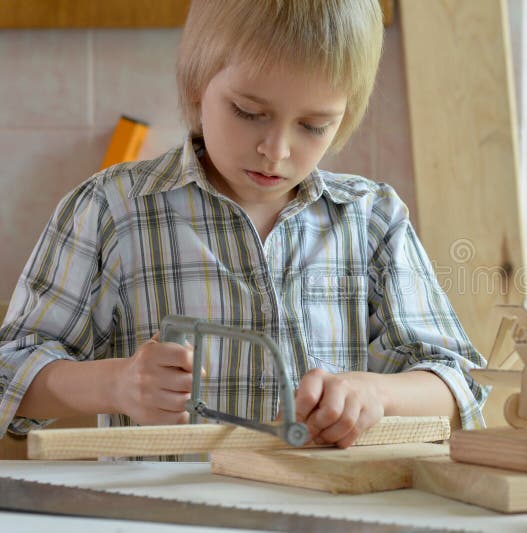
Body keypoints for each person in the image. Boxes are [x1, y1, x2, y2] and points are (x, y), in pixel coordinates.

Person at [0, 0, 486, 456]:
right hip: (167, 518)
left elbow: (460, 385)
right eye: (249, 113)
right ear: (197, 86)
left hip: (325, 511)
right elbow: (8, 376)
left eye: (314, 126)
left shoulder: (373, 219)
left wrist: (377, 395)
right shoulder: (112, 209)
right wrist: (117, 384)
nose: (276, 150)